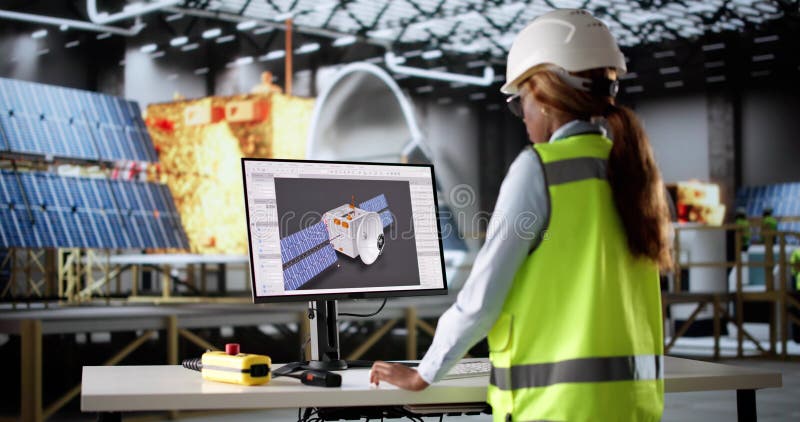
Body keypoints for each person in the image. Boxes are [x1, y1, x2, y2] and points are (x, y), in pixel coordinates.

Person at [369, 9, 671, 421]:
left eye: (521, 102)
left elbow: (481, 300)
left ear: (545, 97)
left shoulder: (542, 169)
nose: (523, 117)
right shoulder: (633, 170)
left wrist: (424, 373)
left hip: (558, 408)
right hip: (634, 406)